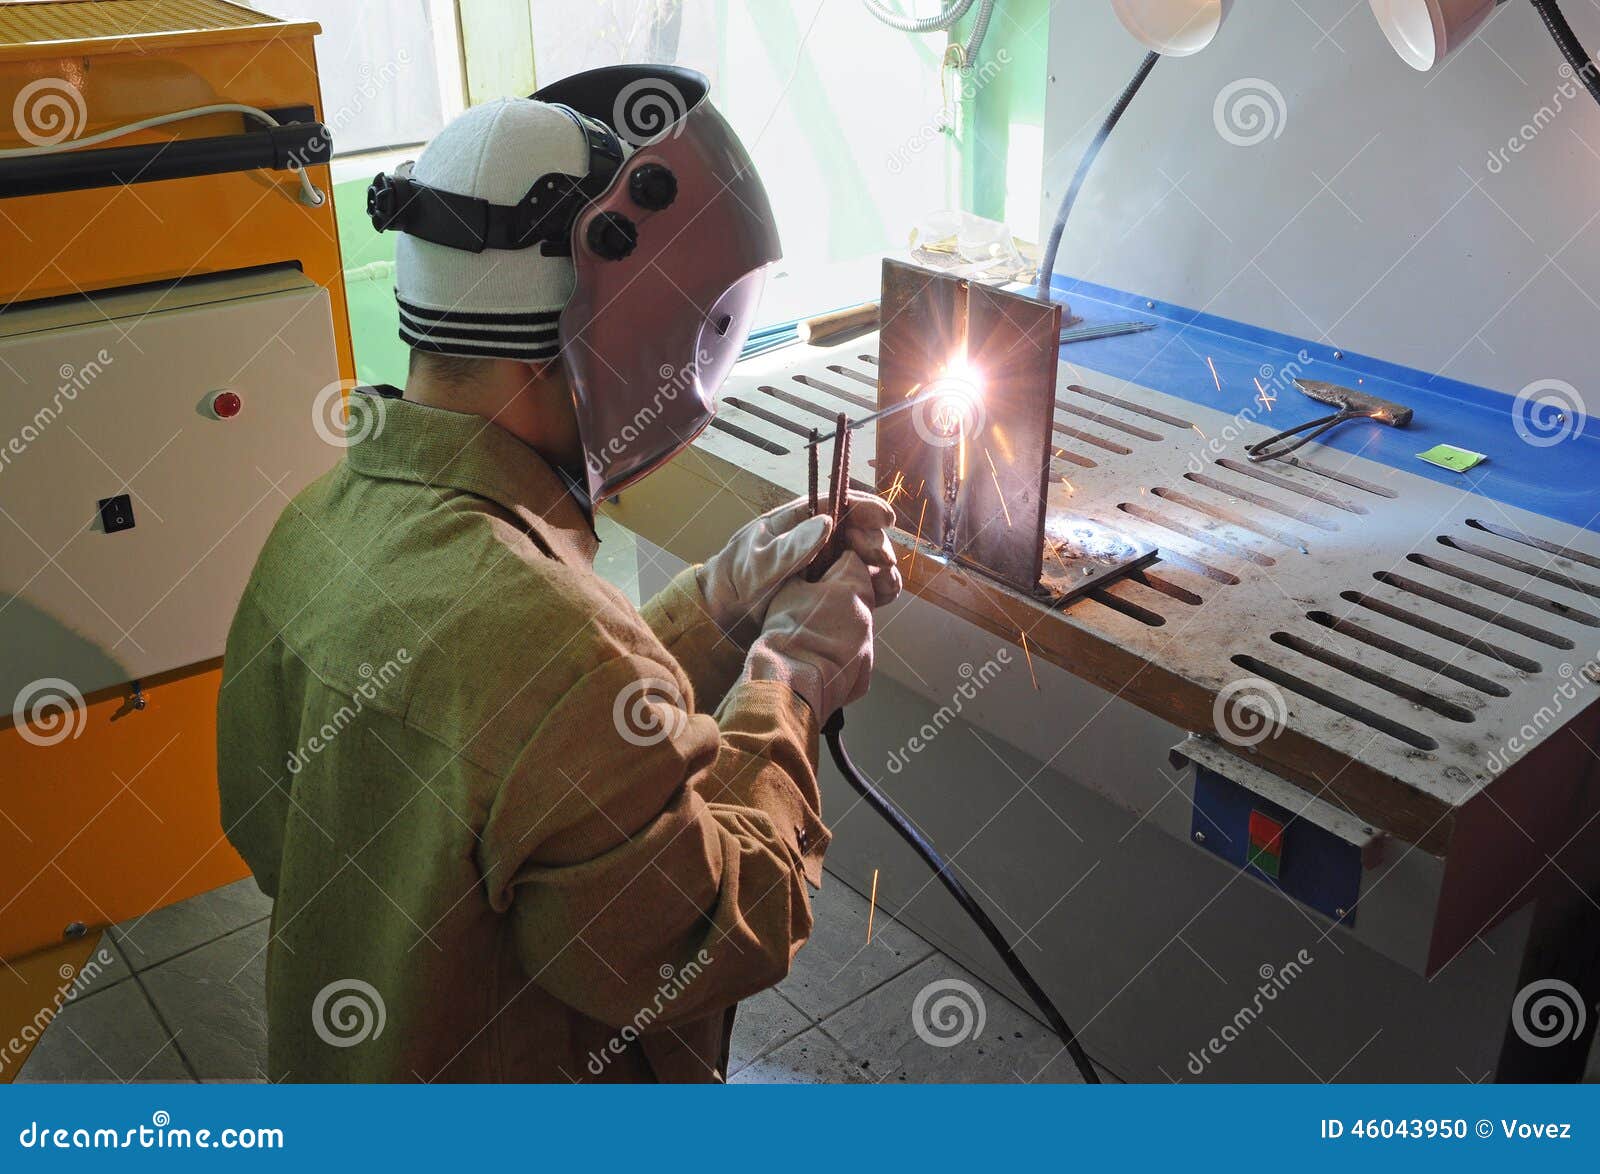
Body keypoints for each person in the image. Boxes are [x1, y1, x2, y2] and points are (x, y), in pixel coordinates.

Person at [216, 67, 900, 1082]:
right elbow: (711, 928)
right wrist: (787, 689)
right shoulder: (550, 649)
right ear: (632, 316)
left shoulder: (313, 533)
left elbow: (526, 745)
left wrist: (719, 603)